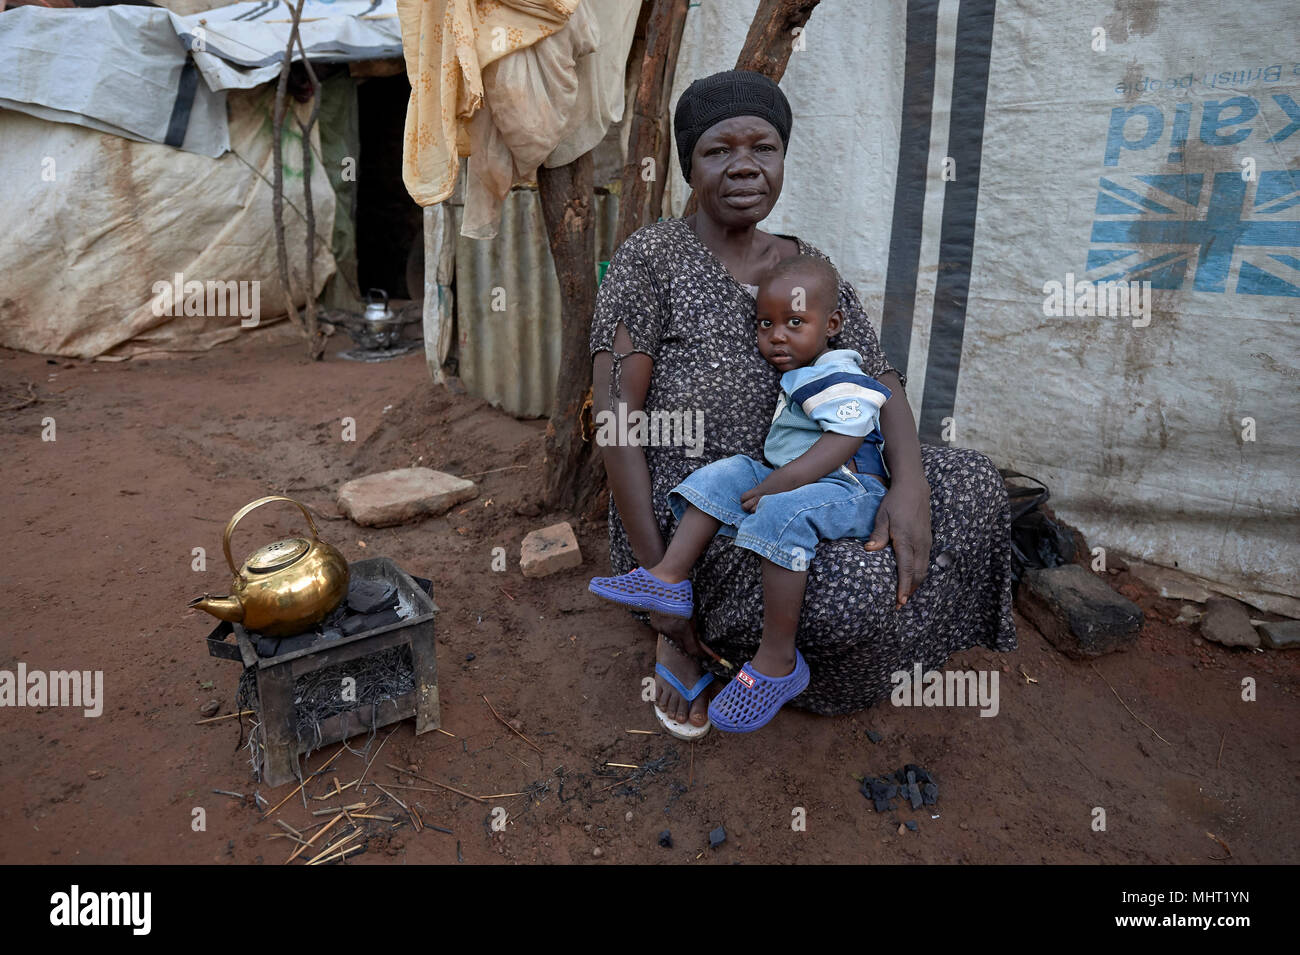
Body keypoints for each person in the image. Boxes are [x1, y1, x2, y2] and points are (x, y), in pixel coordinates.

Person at [589, 69, 1016, 740]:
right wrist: (659, 586)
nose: (743, 167)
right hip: (703, 509)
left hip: (813, 475)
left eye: (762, 147)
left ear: (783, 158)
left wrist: (909, 486)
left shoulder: (807, 264)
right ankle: (678, 615)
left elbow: (878, 378)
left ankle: (805, 656)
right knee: (850, 591)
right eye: (717, 151)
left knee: (972, 485)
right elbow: (615, 418)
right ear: (688, 166)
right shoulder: (653, 258)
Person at [589, 254, 892, 733]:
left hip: (848, 487)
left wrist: (781, 482)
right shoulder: (804, 370)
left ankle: (777, 660)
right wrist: (771, 477)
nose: (777, 335)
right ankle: (669, 577)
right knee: (724, 474)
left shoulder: (838, 369)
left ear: (832, 324)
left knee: (781, 515)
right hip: (793, 475)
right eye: (766, 324)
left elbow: (845, 439)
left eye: (795, 322)